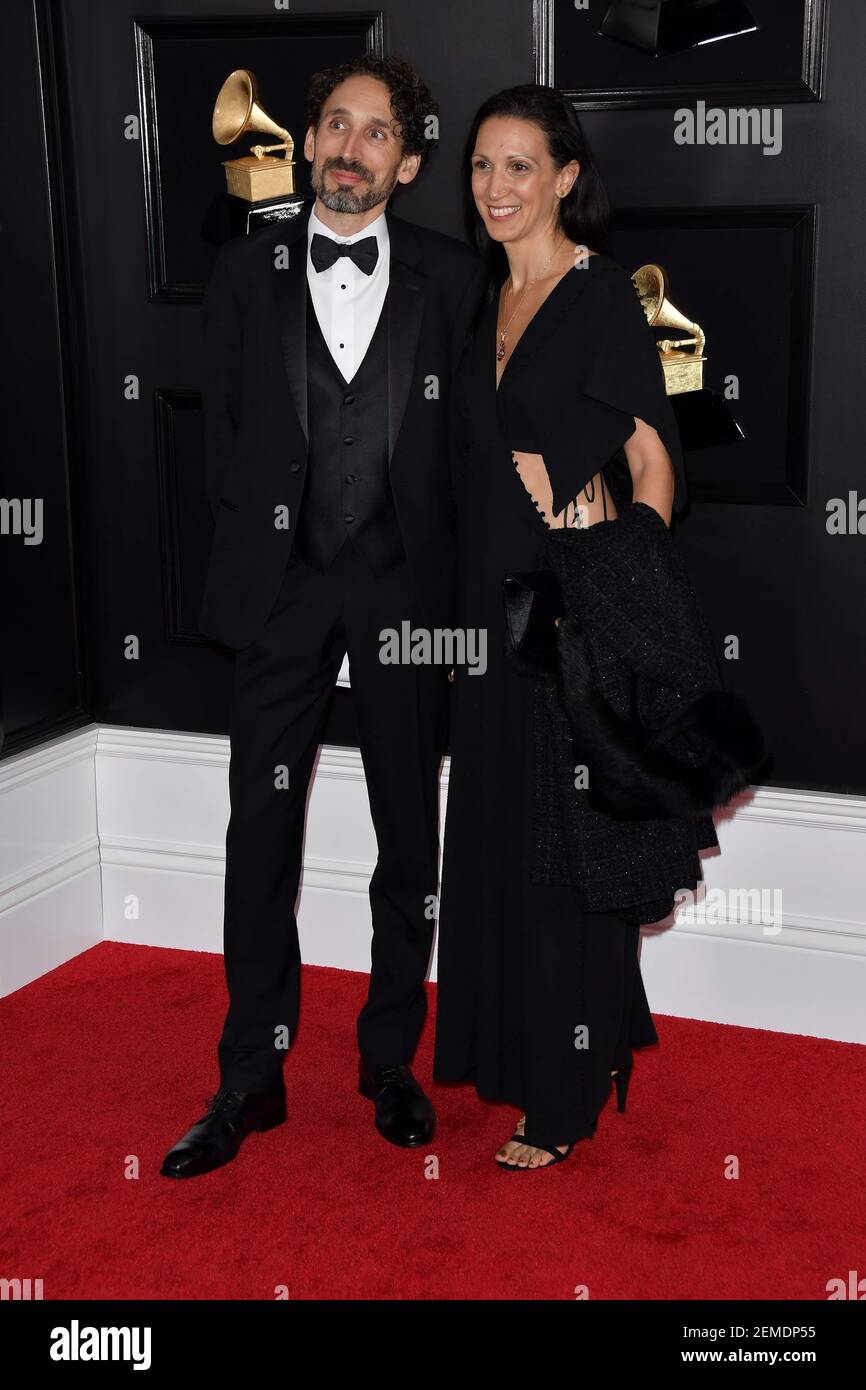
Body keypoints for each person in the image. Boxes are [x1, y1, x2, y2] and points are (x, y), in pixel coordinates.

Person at [161, 55, 487, 1179]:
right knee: (262, 836)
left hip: (407, 596)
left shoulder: (452, 281)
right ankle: (250, 1075)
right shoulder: (244, 273)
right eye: (335, 127)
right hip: (282, 592)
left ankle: (389, 1060)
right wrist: (265, 564)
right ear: (306, 143)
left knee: (410, 834)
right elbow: (228, 446)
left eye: (377, 133)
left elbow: (463, 461)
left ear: (406, 161)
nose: (351, 148)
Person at [433, 83, 701, 1171]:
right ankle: (518, 1057)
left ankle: (565, 1089)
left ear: (564, 177)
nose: (496, 188)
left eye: (518, 167)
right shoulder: (476, 300)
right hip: (475, 615)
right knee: (503, 833)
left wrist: (611, 549)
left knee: (566, 848)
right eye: (481, 167)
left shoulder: (594, 302)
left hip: (561, 610)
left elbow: (651, 458)